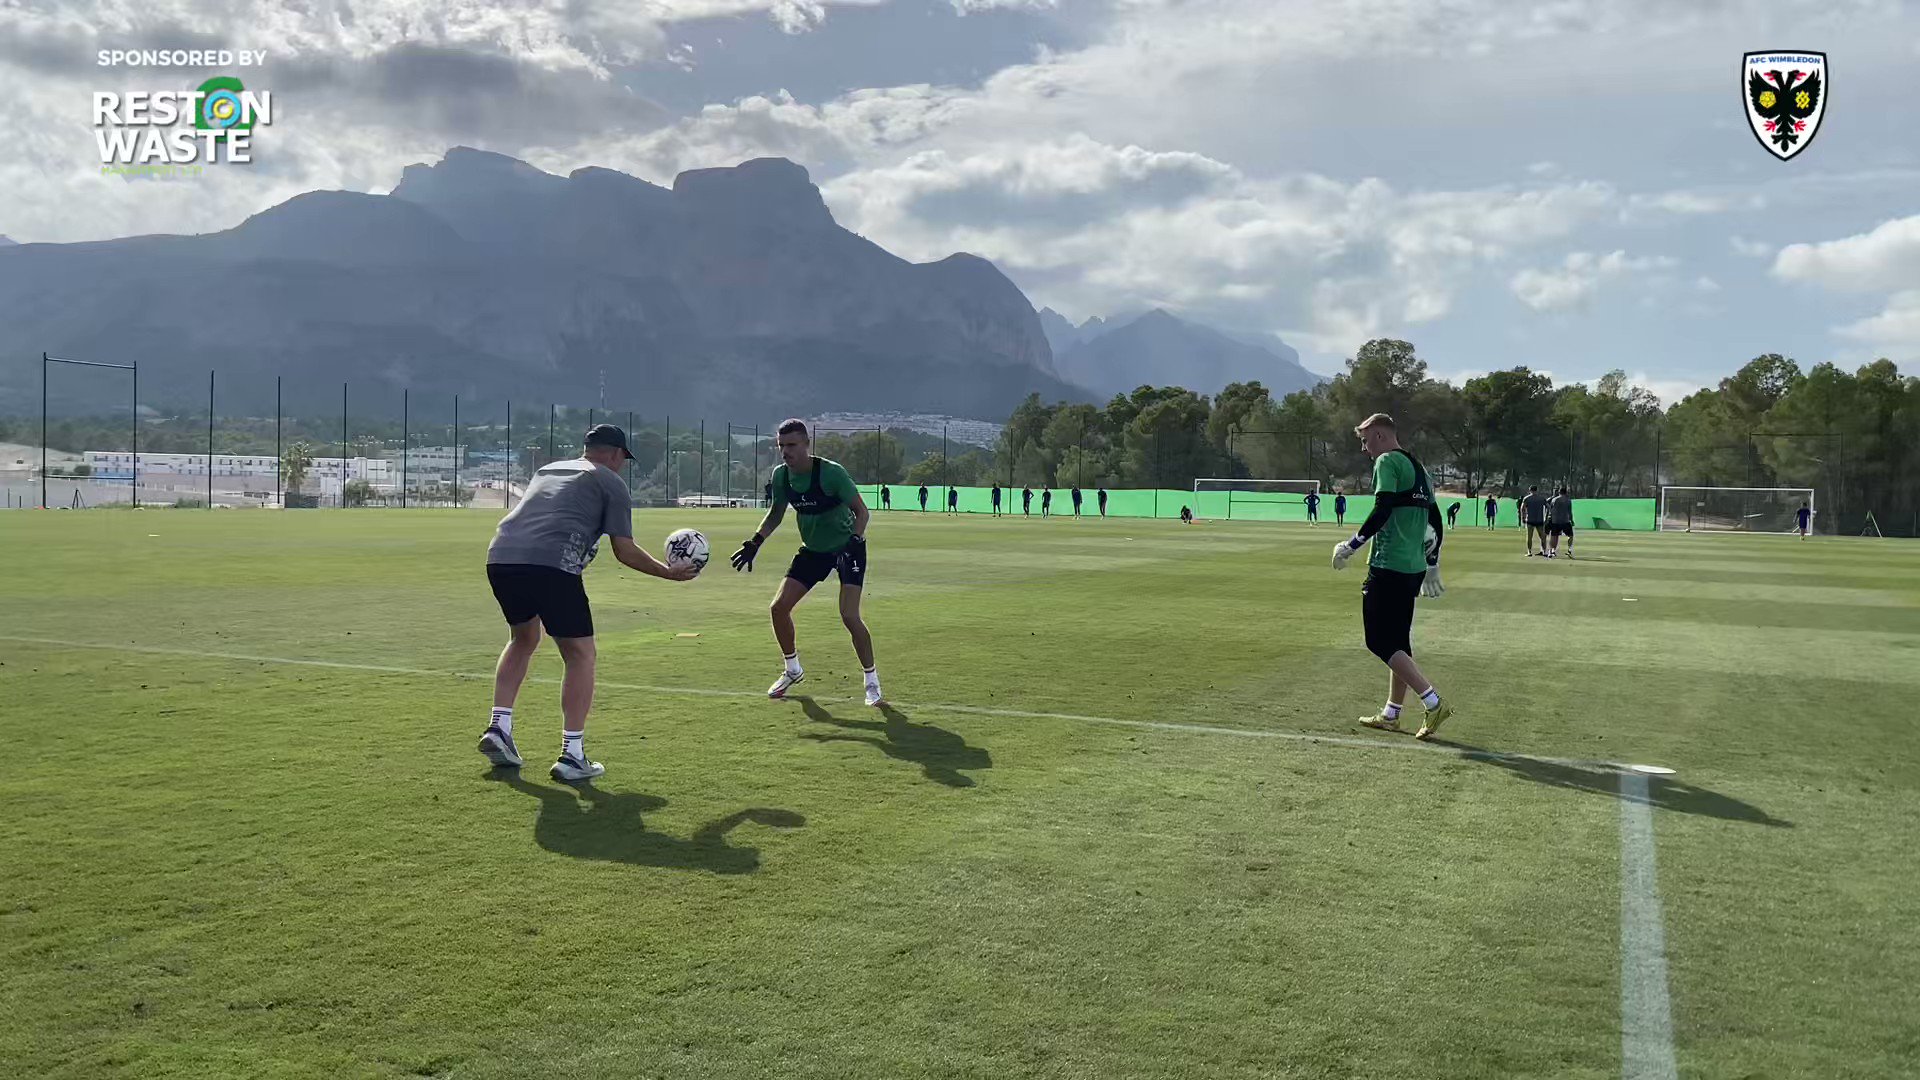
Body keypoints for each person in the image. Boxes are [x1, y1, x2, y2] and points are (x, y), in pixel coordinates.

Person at [480, 424, 698, 782]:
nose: (622, 465)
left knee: (523, 638)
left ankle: (498, 727)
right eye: (623, 458)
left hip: (501, 557)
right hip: (552, 564)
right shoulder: (611, 481)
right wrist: (668, 573)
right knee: (580, 654)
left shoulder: (548, 470)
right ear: (615, 453)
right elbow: (624, 550)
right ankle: (572, 755)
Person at [729, 419, 883, 707]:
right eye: (781, 446)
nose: (785, 451)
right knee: (778, 608)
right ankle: (792, 669)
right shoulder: (781, 476)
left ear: (806, 445)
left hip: (847, 548)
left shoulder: (831, 473)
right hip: (813, 551)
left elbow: (862, 512)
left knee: (849, 615)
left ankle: (871, 681)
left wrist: (854, 540)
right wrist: (755, 542)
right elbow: (776, 514)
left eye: (791, 445)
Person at [1332, 413, 1451, 741]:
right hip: (1413, 568)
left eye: (1365, 440)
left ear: (1380, 436)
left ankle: (1433, 702)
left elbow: (1382, 509)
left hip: (1388, 564)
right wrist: (1432, 561)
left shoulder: (1387, 462)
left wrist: (1351, 545)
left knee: (1378, 640)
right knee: (1399, 642)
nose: (1364, 448)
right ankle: (1391, 714)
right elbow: (1435, 519)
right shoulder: (1420, 468)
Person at [1546, 486, 1575, 559]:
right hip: (1565, 521)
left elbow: (1551, 510)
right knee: (1570, 535)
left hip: (1555, 521)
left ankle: (1550, 551)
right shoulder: (1568, 500)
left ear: (1559, 492)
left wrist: (1549, 519)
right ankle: (1569, 550)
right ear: (1566, 492)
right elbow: (1569, 512)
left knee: (1553, 536)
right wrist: (1571, 520)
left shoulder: (1554, 499)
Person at [1520, 485, 1549, 556]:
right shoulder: (1542, 498)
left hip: (1530, 519)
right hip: (1539, 519)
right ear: (1537, 490)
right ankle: (1544, 551)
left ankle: (1529, 552)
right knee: (1542, 537)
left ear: (1530, 490)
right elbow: (1548, 507)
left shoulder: (1527, 498)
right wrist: (1546, 517)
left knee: (1529, 537)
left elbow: (1522, 508)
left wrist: (1523, 518)